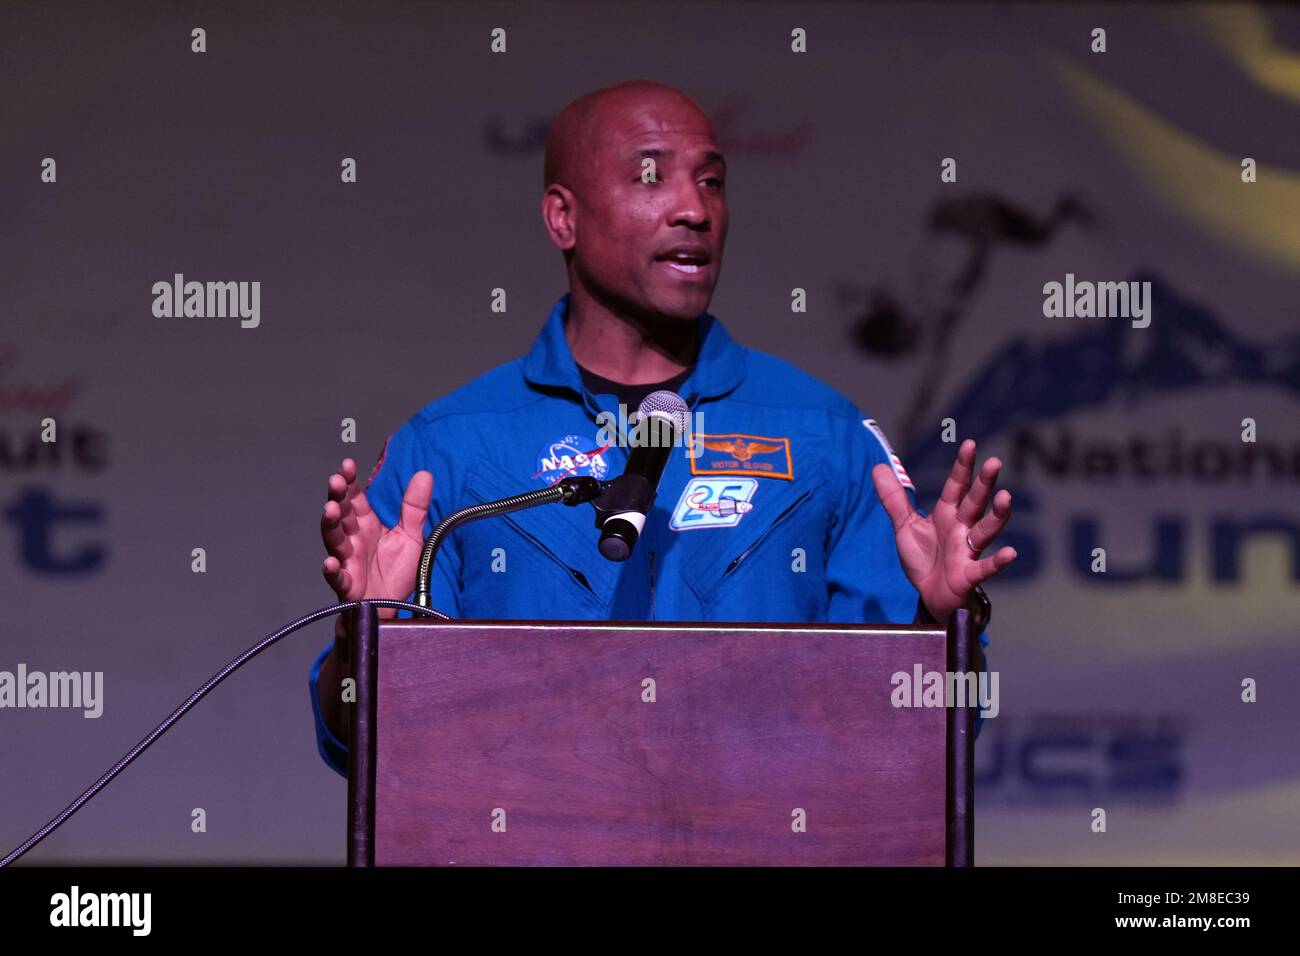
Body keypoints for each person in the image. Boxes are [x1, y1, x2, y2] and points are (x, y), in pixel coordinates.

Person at [309, 80, 1016, 776]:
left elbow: (917, 737)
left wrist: (940, 622)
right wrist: (365, 635)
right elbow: (358, 747)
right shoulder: (452, 447)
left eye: (712, 182)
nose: (694, 209)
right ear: (563, 218)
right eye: (653, 177)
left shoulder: (822, 433)